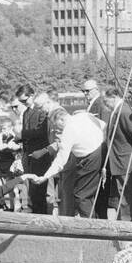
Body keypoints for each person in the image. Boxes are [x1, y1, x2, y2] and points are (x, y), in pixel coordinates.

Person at [29, 105, 106, 217]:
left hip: (90, 159)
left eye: (56, 125)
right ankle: (97, 221)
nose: (57, 129)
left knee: (81, 196)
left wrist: (45, 176)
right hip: (101, 150)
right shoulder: (84, 116)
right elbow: (104, 126)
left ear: (61, 119)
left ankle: (91, 226)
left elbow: (60, 160)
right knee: (91, 194)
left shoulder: (68, 131)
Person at [102, 86, 132, 222]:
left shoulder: (124, 111)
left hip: (126, 162)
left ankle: (129, 229)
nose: (105, 104)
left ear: (114, 97)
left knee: (127, 198)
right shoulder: (117, 111)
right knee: (122, 198)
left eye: (106, 101)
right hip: (120, 162)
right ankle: (125, 227)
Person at [18, 84, 51, 213]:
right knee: (32, 189)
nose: (23, 103)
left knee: (39, 190)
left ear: (31, 95)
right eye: (21, 101)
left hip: (40, 154)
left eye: (24, 100)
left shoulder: (40, 110)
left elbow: (42, 132)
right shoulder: (26, 112)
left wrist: (22, 134)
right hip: (29, 154)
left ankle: (41, 215)